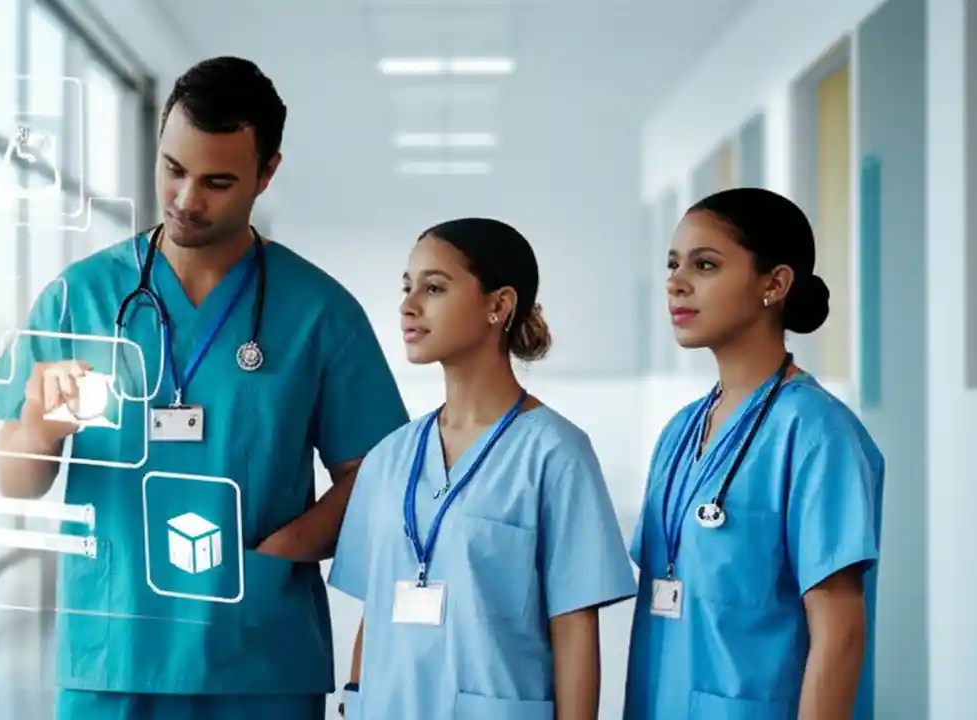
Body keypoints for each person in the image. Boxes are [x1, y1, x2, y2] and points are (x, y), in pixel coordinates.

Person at [0, 56, 409, 720]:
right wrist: (37, 430)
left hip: (258, 656)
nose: (186, 200)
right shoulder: (82, 299)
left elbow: (376, 475)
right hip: (114, 652)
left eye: (217, 181)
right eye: (173, 170)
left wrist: (278, 554)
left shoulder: (319, 312)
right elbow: (17, 479)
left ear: (267, 174)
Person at [327, 218, 638, 720]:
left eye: (434, 288)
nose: (408, 305)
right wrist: (353, 701)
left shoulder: (555, 453)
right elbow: (374, 610)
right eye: (407, 288)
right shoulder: (390, 457)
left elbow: (574, 628)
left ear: (499, 304)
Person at [623, 187, 885, 719]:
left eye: (706, 264)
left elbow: (841, 634)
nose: (676, 282)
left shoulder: (817, 433)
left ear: (775, 283)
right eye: (673, 264)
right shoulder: (679, 433)